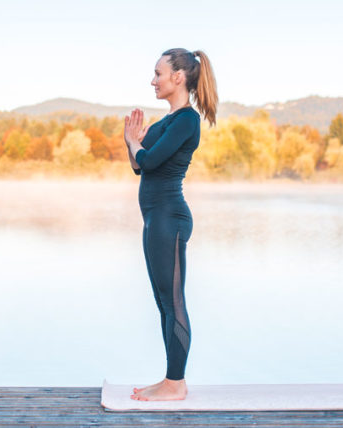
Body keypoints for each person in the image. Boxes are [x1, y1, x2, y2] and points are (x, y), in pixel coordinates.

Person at [124, 48, 218, 401]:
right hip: (155, 219)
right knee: (163, 302)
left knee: (174, 301)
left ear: (178, 77)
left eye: (158, 74)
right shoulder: (168, 121)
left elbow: (147, 160)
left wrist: (135, 145)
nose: (153, 80)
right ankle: (169, 380)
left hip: (169, 218)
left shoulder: (185, 121)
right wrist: (131, 144)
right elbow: (138, 164)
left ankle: (176, 384)